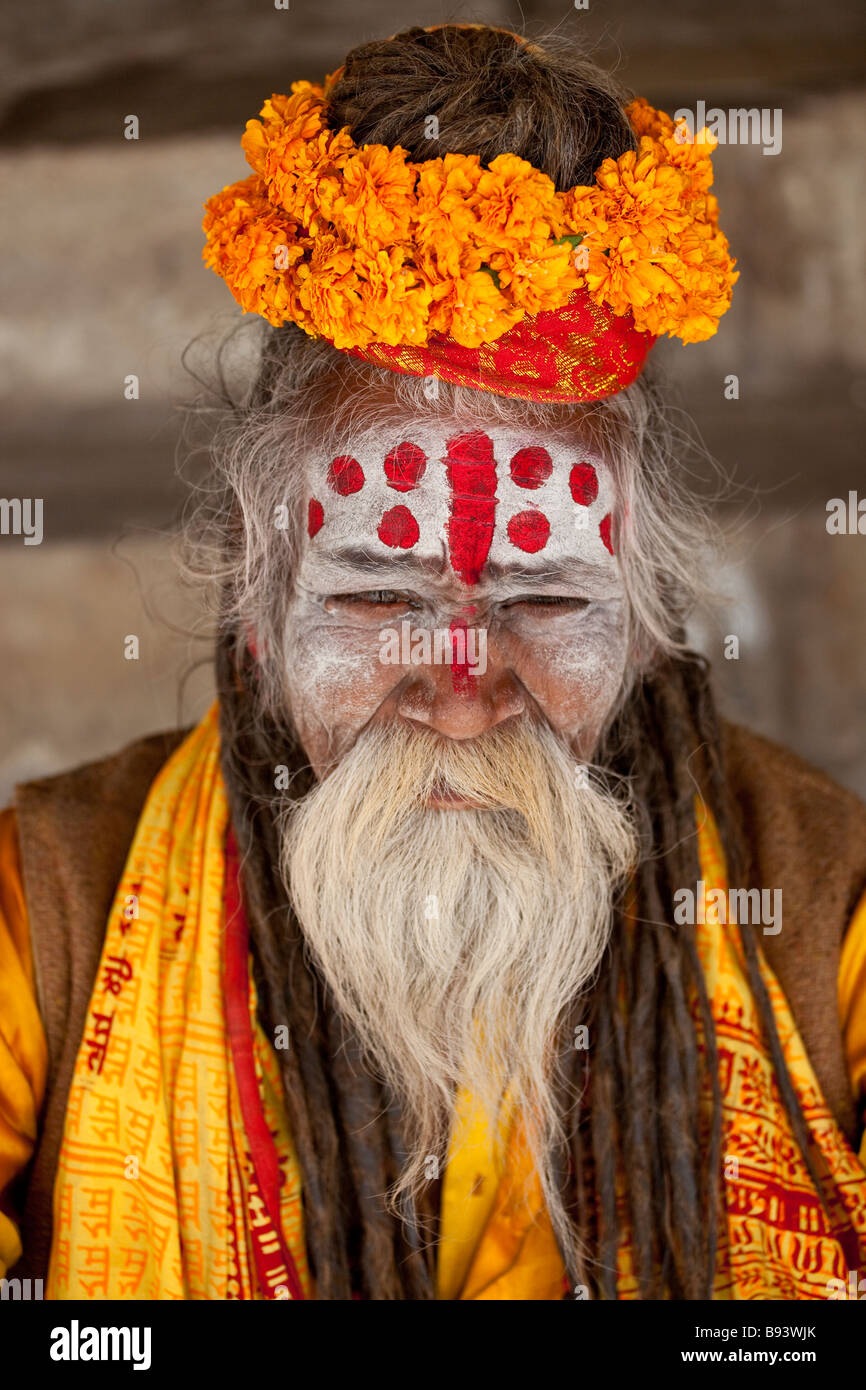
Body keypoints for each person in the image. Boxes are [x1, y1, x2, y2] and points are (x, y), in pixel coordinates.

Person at [1, 23, 865, 1301]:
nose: (460, 689)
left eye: (543, 593)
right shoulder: (46, 918)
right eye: (376, 590)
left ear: (637, 602)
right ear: (262, 582)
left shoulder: (826, 907)